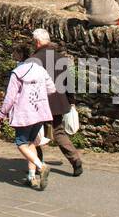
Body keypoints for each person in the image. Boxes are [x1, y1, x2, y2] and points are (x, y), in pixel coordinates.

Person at [0, 49, 56, 190]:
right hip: (40, 112)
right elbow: (51, 89)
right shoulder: (41, 70)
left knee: (21, 143)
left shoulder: (18, 72)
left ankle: (42, 166)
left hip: (25, 114)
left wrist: (1, 115)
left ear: (20, 56)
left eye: (15, 55)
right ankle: (31, 177)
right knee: (31, 143)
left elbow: (10, 97)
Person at [29, 28, 83, 176]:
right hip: (58, 102)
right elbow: (69, 83)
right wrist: (71, 101)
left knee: (34, 135)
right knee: (59, 132)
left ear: (37, 42)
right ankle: (75, 160)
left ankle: (39, 165)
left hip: (39, 103)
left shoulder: (33, 60)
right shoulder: (61, 58)